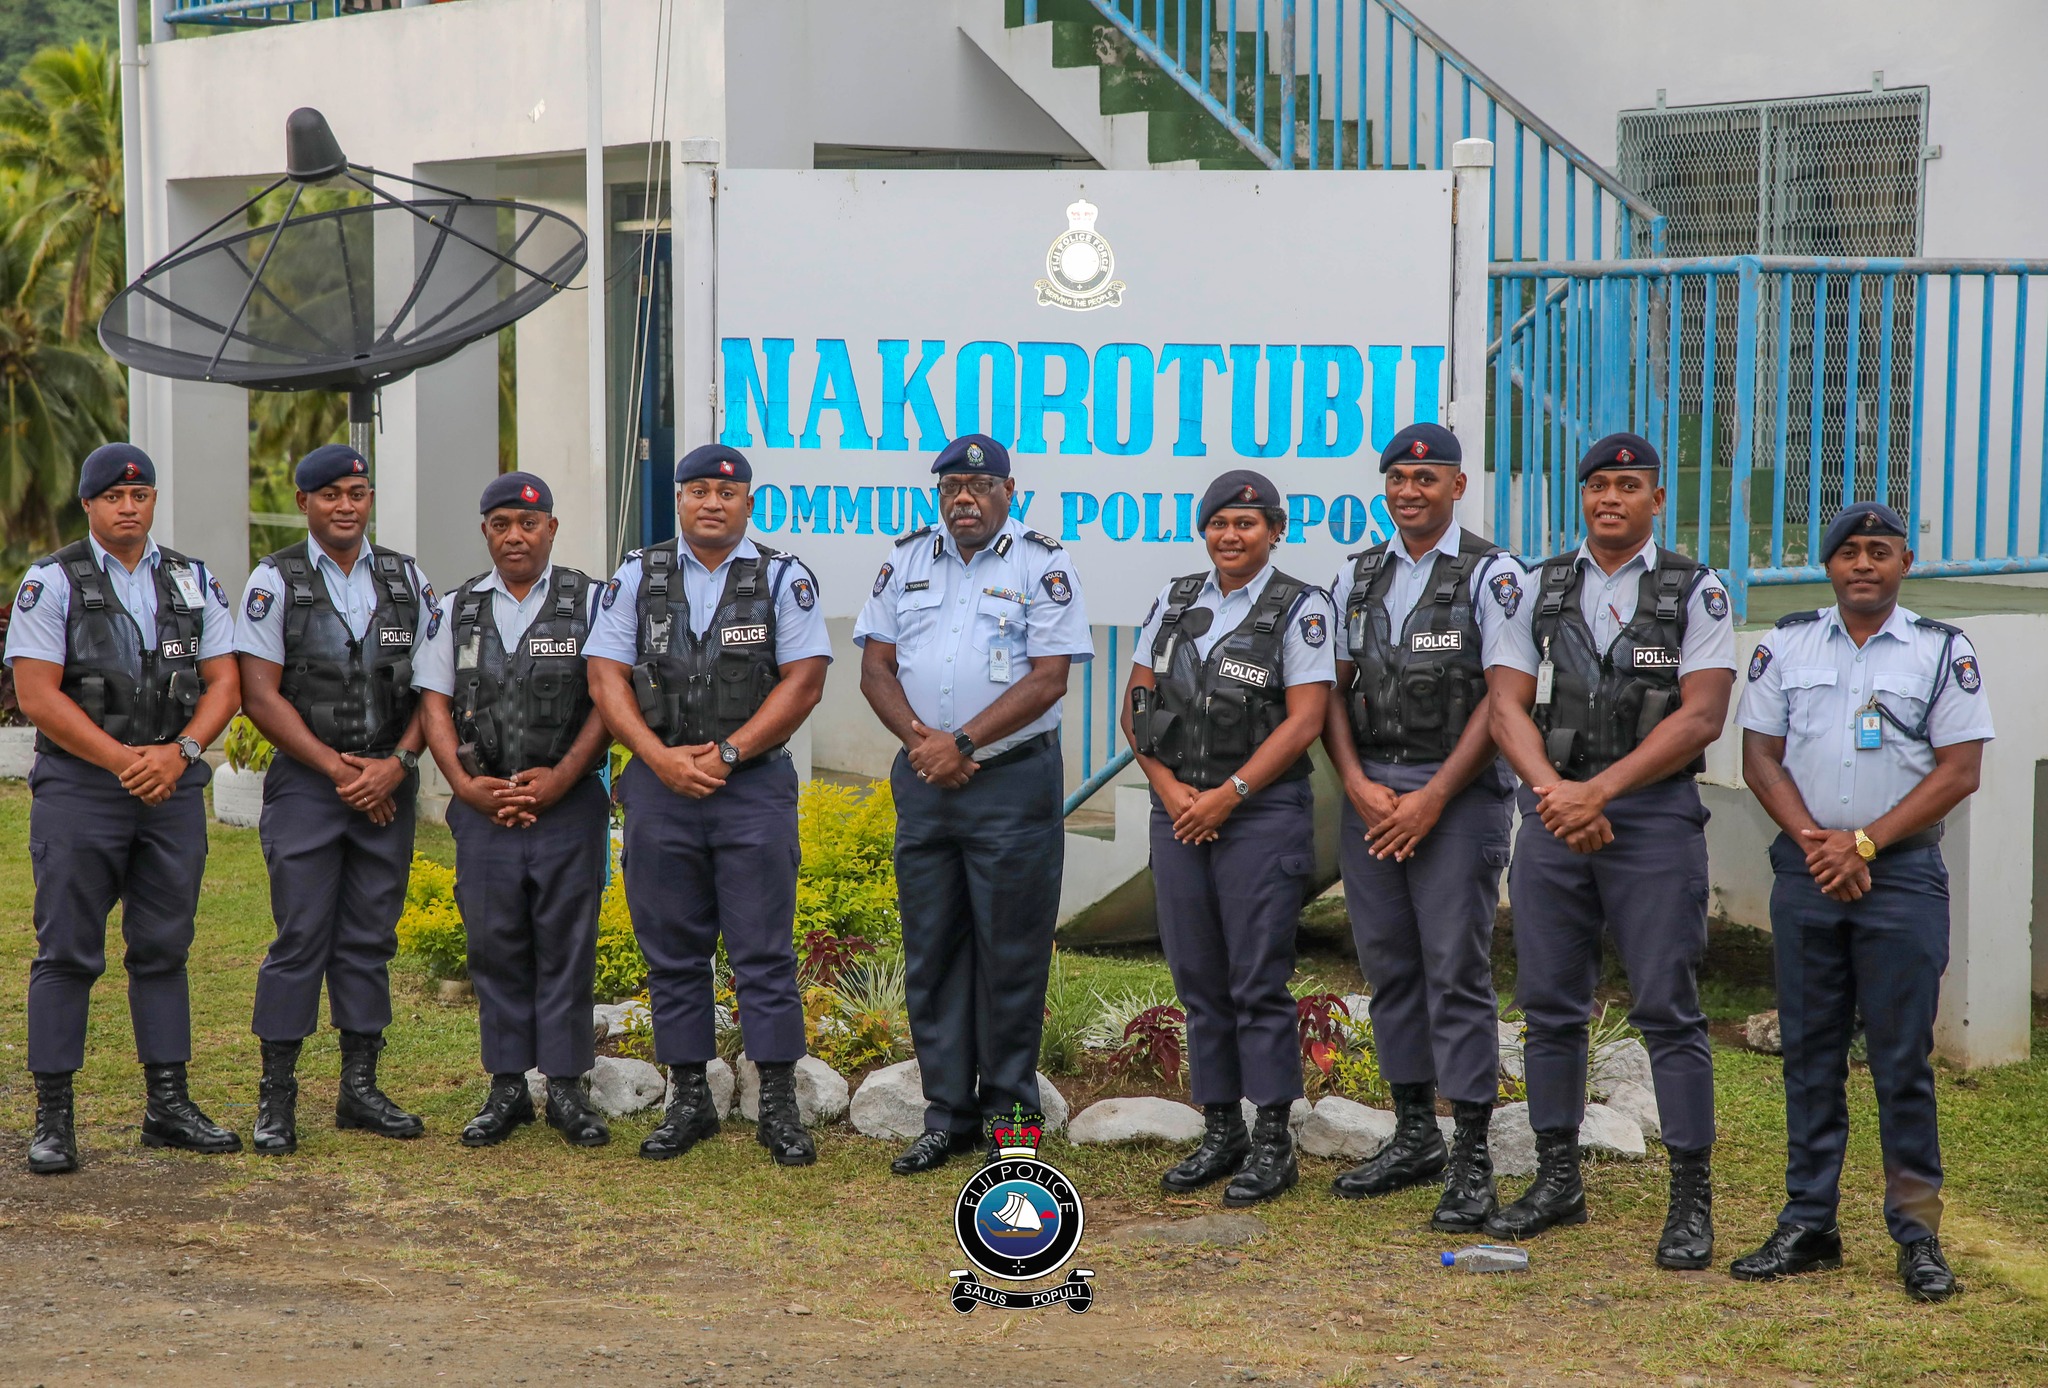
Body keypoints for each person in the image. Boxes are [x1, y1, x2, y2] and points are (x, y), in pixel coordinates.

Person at [1483, 431, 1735, 1269]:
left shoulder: (1694, 590)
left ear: (1656, 500)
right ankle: (1559, 1181)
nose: (1610, 499)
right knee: (1551, 1005)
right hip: (1556, 817)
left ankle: (1689, 1200)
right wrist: (1560, 795)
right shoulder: (1539, 586)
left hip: (1652, 820)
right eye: (1598, 486)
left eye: (1628, 486)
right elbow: (1505, 706)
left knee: (1668, 1007)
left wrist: (1602, 792)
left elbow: (1701, 716)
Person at [1729, 502, 1988, 1302]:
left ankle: (1918, 1238)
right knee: (1810, 1057)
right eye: (1849, 553)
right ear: (1828, 566)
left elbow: (1959, 770)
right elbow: (1760, 757)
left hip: (1900, 877)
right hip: (1808, 871)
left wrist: (1864, 843)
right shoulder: (1787, 644)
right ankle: (1810, 1224)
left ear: (1905, 561)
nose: (1864, 564)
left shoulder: (1943, 650)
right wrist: (1817, 840)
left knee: (1901, 1061)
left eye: (1880, 551)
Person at [586, 444, 830, 1167]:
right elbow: (605, 678)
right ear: (681, 501)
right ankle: (688, 1098)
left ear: (748, 503)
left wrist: (727, 755)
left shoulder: (783, 576)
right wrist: (658, 760)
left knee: (763, 950)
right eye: (697, 492)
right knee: (672, 952)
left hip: (750, 786)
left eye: (726, 494)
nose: (711, 503)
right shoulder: (637, 573)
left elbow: (804, 681)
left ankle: (778, 1105)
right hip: (661, 785)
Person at [854, 433, 1091, 1175]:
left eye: (979, 487)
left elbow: (1049, 677)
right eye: (952, 486)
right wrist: (926, 744)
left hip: (1011, 783)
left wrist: (962, 741)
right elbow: (875, 665)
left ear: (1008, 493)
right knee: (933, 953)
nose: (963, 498)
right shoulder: (906, 560)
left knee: (1010, 956)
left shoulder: (1042, 564)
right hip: (926, 783)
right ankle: (946, 1115)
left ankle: (1011, 1121)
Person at [6, 444, 244, 1174]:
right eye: (114, 497)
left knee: (164, 948)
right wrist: (124, 761)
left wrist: (181, 754)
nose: (129, 507)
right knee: (69, 951)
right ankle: (54, 1118)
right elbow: (38, 693)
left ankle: (167, 1105)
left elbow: (224, 682)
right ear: (90, 505)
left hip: (170, 789)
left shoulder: (191, 578)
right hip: (85, 790)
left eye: (140, 496)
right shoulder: (53, 582)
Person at [1322, 423, 1523, 1231]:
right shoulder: (1355, 576)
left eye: (1428, 478)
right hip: (1373, 795)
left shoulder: (1492, 574)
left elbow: (1503, 698)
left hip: (1459, 796)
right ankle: (1414, 1136)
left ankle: (1471, 1153)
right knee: (1390, 968)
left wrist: (1433, 798)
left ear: (1457, 487)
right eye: (1399, 478)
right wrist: (1357, 785)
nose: (1411, 490)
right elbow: (1330, 691)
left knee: (1455, 971)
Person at [1122, 468, 1335, 1207]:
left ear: (1275, 531)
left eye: (1248, 524)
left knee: (1256, 981)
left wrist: (1229, 794)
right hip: (1178, 810)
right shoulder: (1175, 601)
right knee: (1199, 980)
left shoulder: (1300, 609)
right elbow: (1137, 705)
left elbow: (1305, 719)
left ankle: (1273, 1139)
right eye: (1219, 523)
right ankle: (1221, 1131)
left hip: (1259, 815)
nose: (1232, 535)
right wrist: (1172, 790)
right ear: (1204, 530)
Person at [235, 443, 435, 1153]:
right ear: (304, 503)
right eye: (330, 495)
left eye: (357, 492)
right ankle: (277, 1098)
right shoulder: (274, 579)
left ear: (369, 498)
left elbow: (433, 688)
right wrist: (341, 772)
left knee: (369, 938)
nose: (345, 505)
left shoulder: (408, 579)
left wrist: (399, 763)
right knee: (300, 937)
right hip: (308, 784)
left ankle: (360, 1090)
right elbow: (259, 694)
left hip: (389, 782)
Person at [414, 472, 614, 1149]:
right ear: (486, 532)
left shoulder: (592, 602)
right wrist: (464, 785)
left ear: (551, 529)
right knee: (494, 942)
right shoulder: (457, 607)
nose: (515, 536)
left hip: (568, 803)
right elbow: (434, 703)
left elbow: (608, 700)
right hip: (484, 805)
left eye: (528, 524)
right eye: (501, 524)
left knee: (567, 941)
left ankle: (565, 1086)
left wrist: (562, 776)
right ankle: (506, 1087)